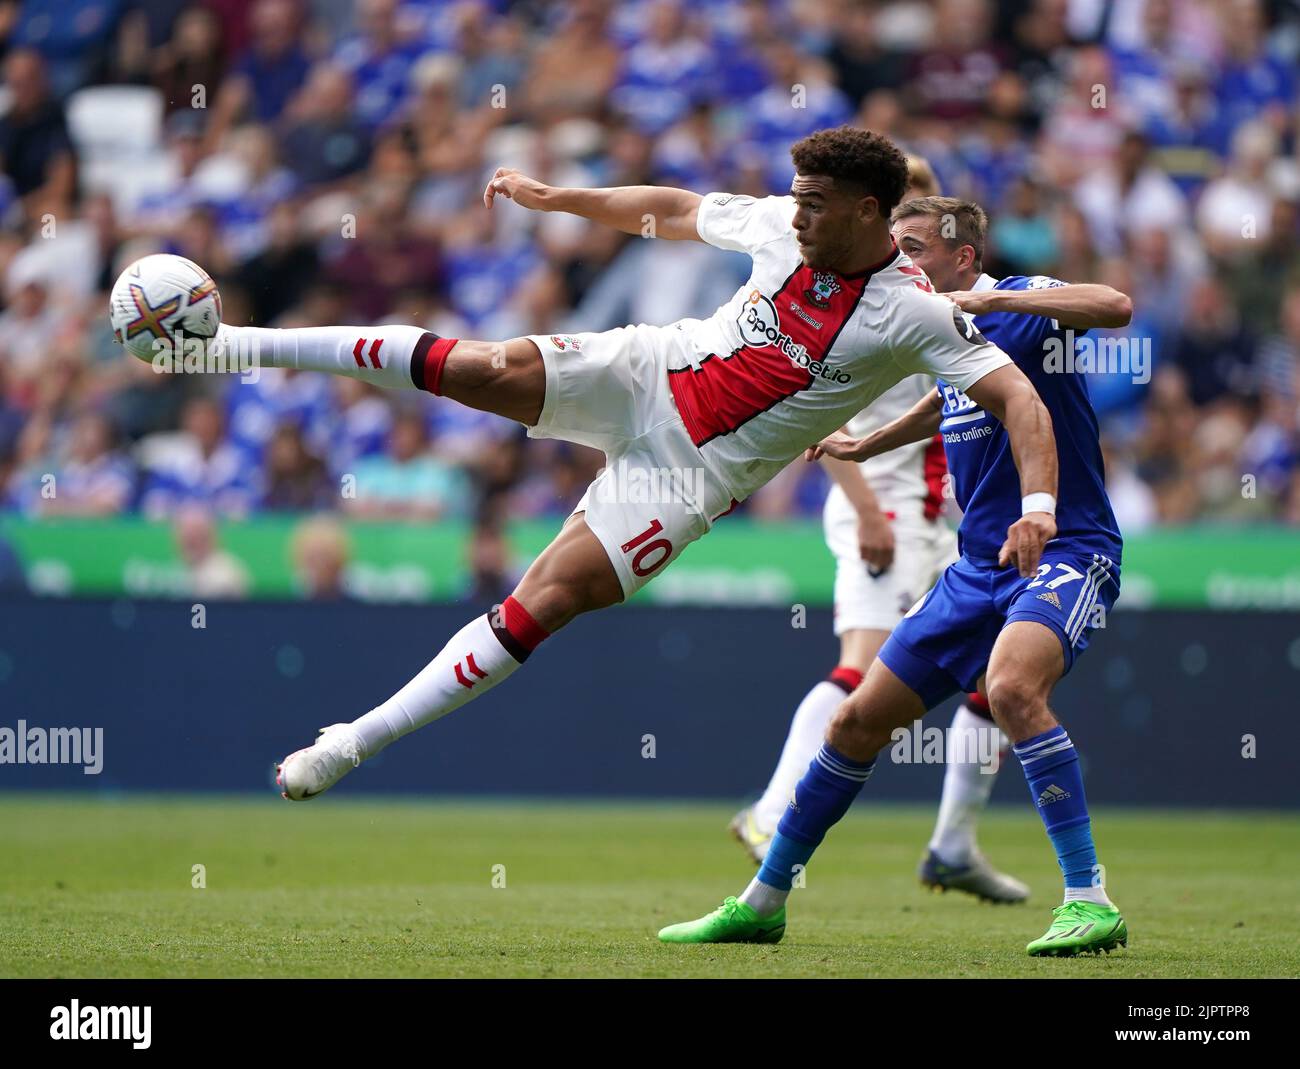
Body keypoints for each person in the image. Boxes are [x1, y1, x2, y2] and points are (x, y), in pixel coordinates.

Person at [194, 128, 1058, 879]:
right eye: (796, 201)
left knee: (547, 601)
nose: (796, 217)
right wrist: (556, 196)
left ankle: (354, 739)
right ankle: (235, 346)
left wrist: (1041, 505)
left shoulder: (914, 312)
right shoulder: (780, 226)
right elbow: (675, 210)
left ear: (870, 211)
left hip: (689, 479)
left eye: (817, 206)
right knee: (481, 367)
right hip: (647, 372)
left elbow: (1020, 396)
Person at [661, 195, 1131, 957]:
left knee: (1011, 689)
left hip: (1067, 550)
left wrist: (994, 297)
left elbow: (1114, 304)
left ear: (964, 258)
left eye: (914, 247)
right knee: (855, 723)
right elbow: (951, 401)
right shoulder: (938, 334)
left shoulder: (1018, 304)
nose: (902, 261)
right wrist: (871, 441)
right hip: (976, 567)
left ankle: (1088, 898)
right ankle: (762, 902)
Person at [729, 161, 1029, 904]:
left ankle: (954, 843)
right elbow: (819, 409)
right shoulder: (845, 293)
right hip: (883, 507)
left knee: (995, 670)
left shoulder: (921, 296)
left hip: (933, 514)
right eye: (901, 220)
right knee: (863, 668)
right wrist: (864, 508)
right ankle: (771, 813)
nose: (908, 235)